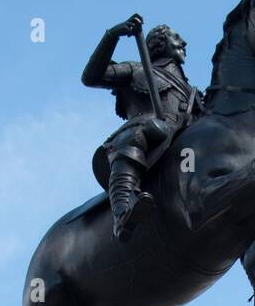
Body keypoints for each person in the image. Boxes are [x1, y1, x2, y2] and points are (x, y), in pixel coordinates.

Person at [82, 14, 202, 241]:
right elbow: (91, 77)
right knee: (143, 129)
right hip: (151, 135)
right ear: (159, 43)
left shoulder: (193, 92)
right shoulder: (136, 69)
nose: (183, 42)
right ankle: (123, 208)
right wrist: (113, 35)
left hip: (183, 148)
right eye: (176, 37)